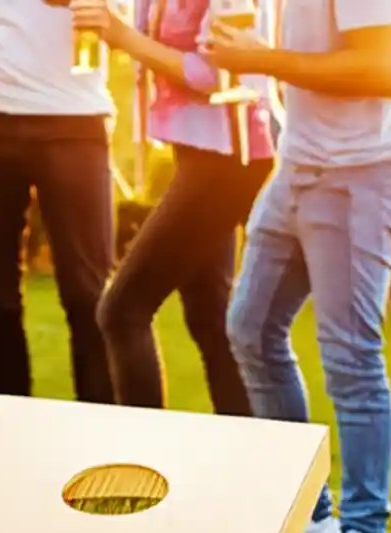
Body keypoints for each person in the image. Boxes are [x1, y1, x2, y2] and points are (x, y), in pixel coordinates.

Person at [207, 0, 391, 533]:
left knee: (350, 357)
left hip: (361, 173)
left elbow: (379, 69)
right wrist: (246, 52)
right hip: (297, 166)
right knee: (250, 327)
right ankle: (310, 515)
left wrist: (258, 60)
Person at [69, 0, 275, 415]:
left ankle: (145, 462)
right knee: (211, 318)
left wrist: (124, 37)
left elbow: (215, 72)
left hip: (229, 153)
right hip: (199, 152)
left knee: (122, 309)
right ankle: (250, 464)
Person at [0, 0, 117, 405]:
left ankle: (101, 430)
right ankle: (8, 424)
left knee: (88, 294)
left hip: (73, 120)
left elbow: (120, 22)